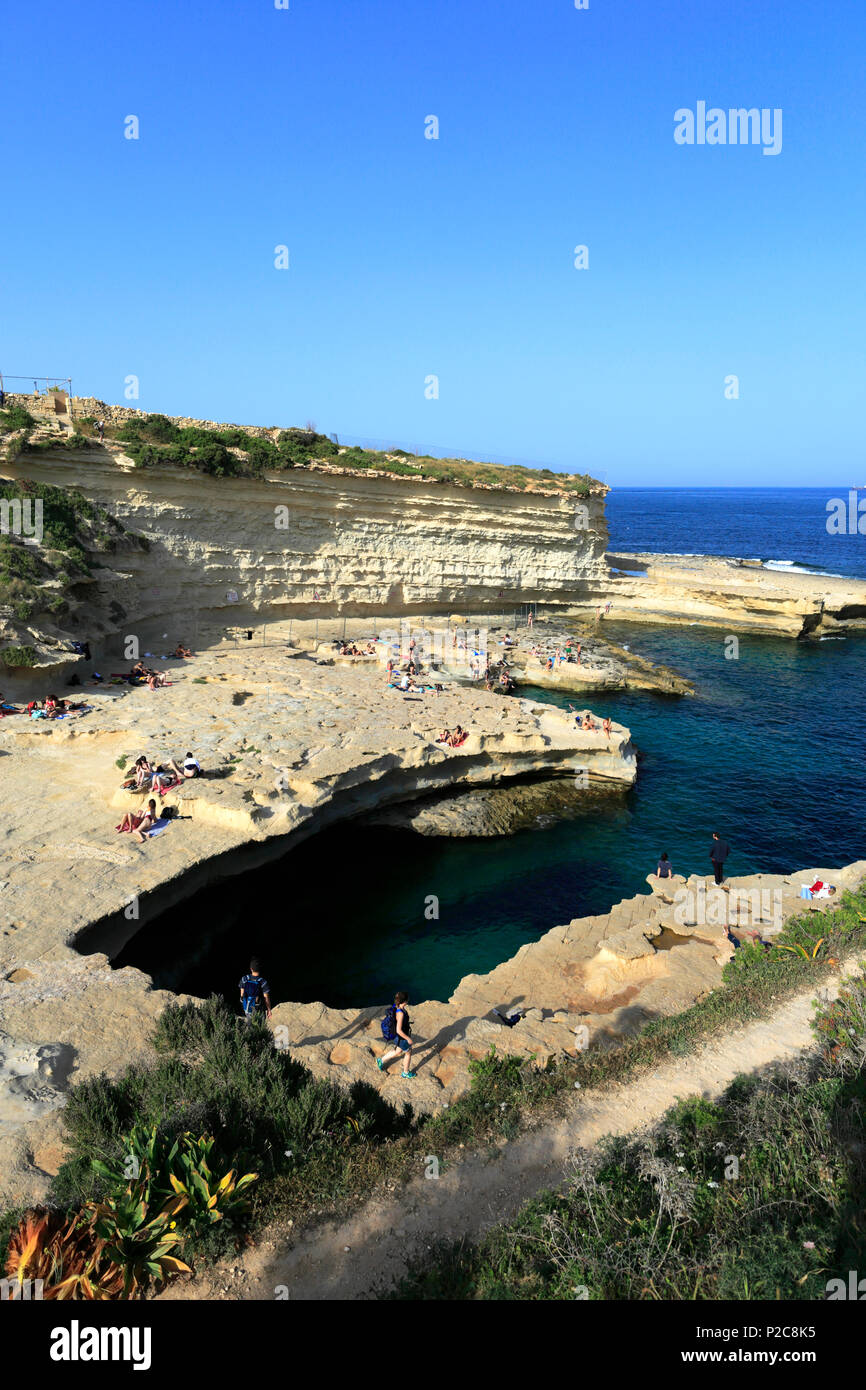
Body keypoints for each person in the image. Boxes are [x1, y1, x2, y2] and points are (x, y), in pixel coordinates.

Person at [377, 991, 415, 1078]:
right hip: (400, 1037)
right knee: (408, 1052)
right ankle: (406, 1072)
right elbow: (398, 1030)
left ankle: (381, 1060)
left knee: (398, 1051)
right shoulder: (400, 1013)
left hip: (397, 1037)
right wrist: (408, 1039)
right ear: (405, 1001)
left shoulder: (396, 1006)